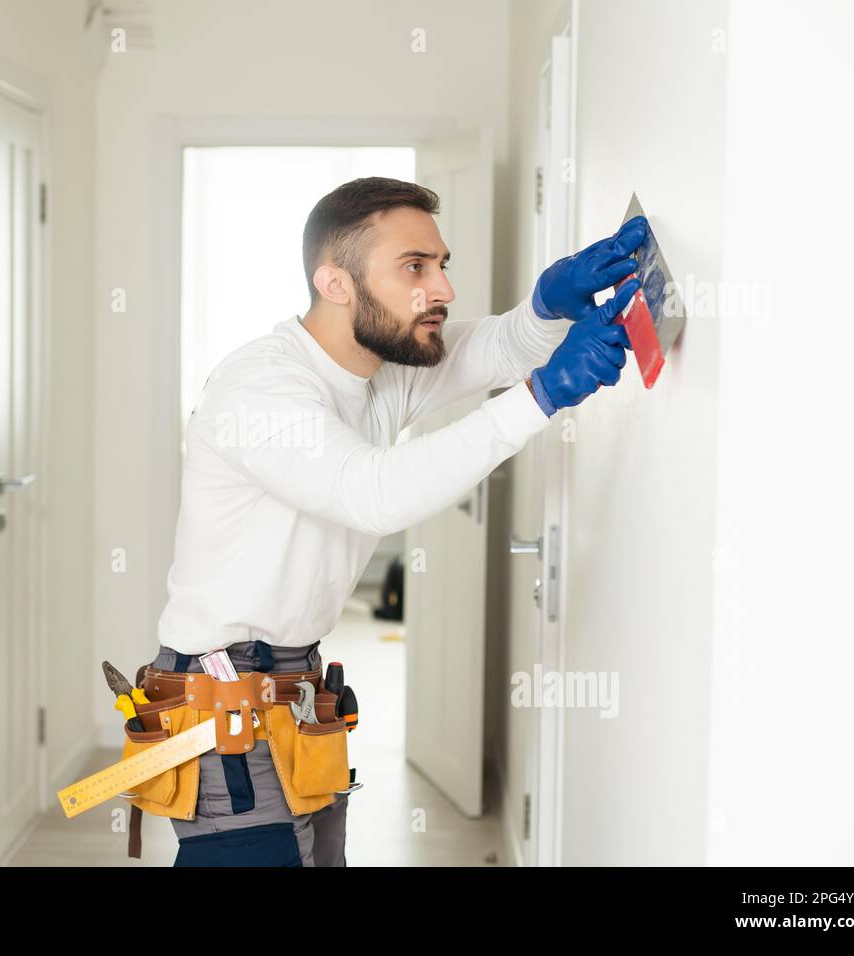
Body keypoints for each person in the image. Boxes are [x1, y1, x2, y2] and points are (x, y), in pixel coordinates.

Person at [148, 176, 646, 866]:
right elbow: (371, 492)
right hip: (225, 702)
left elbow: (496, 349)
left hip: (296, 690)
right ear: (336, 283)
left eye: (441, 266)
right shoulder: (260, 388)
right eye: (415, 267)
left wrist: (543, 306)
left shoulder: (380, 368)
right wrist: (542, 396)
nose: (440, 289)